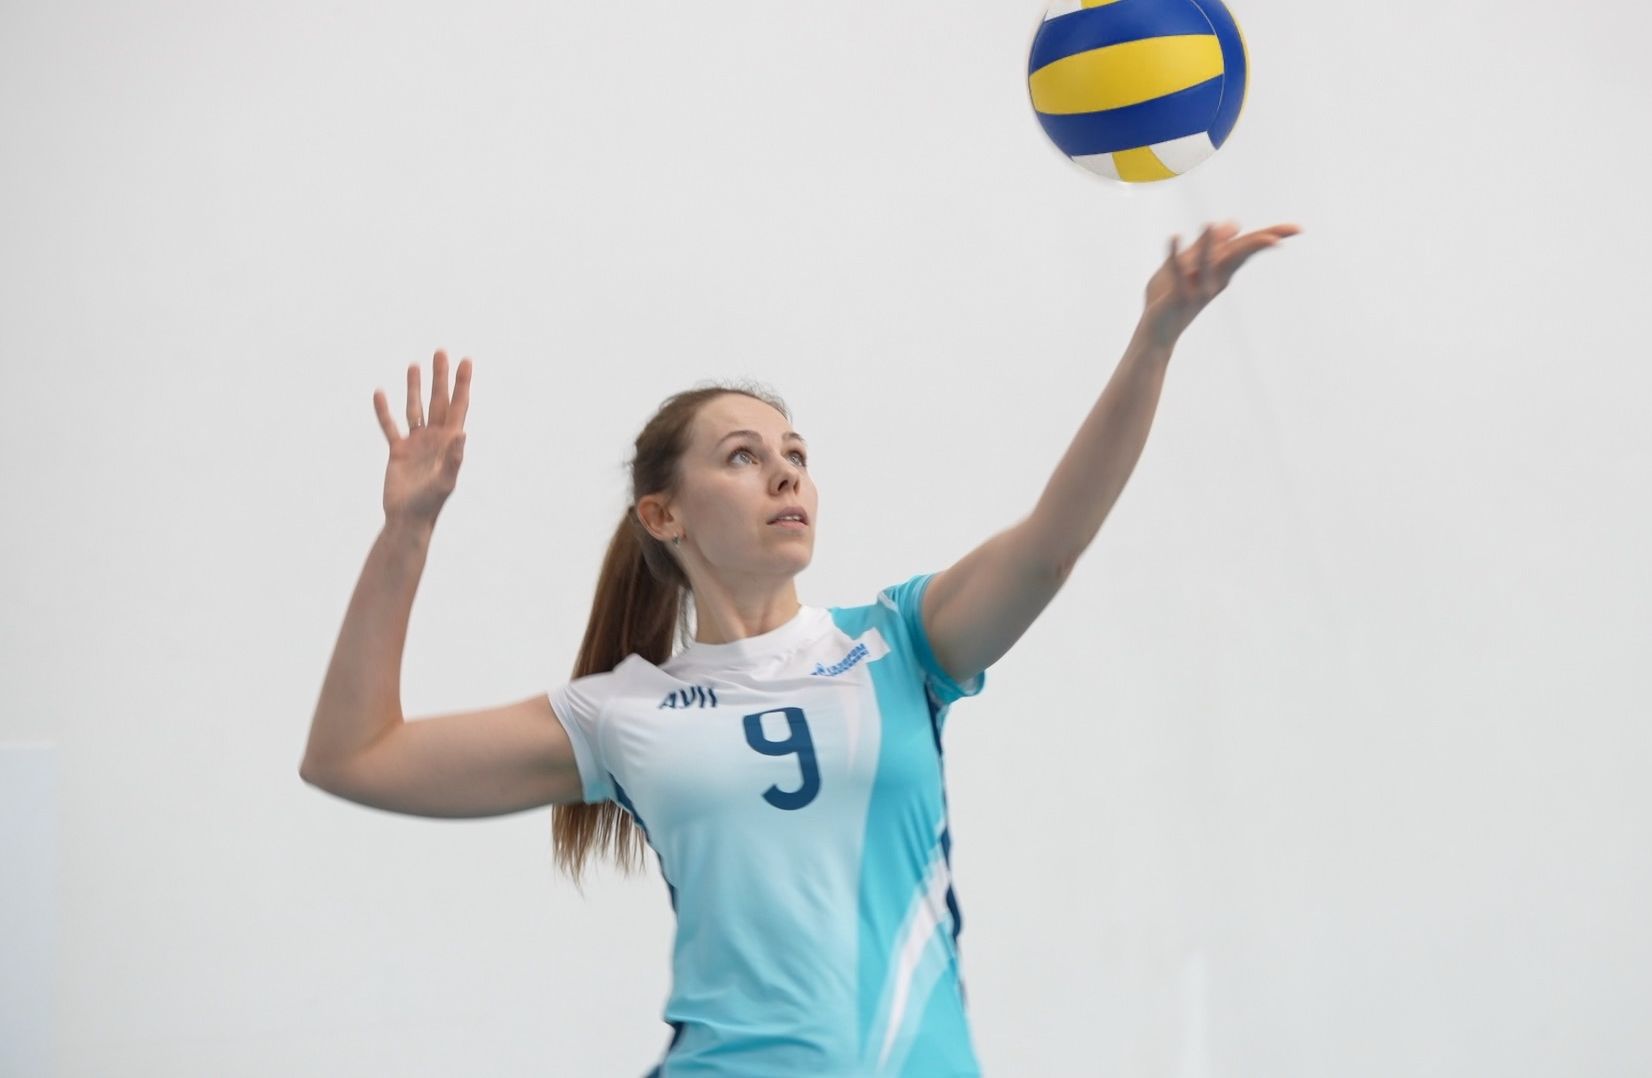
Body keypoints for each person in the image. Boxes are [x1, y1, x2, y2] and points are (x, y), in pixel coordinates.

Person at [298, 219, 1299, 1076]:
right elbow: (353, 756)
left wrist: (1154, 338)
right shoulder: (623, 712)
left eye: (797, 456)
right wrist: (408, 531)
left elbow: (1051, 546)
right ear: (663, 514)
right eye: (743, 457)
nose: (786, 475)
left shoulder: (899, 641)